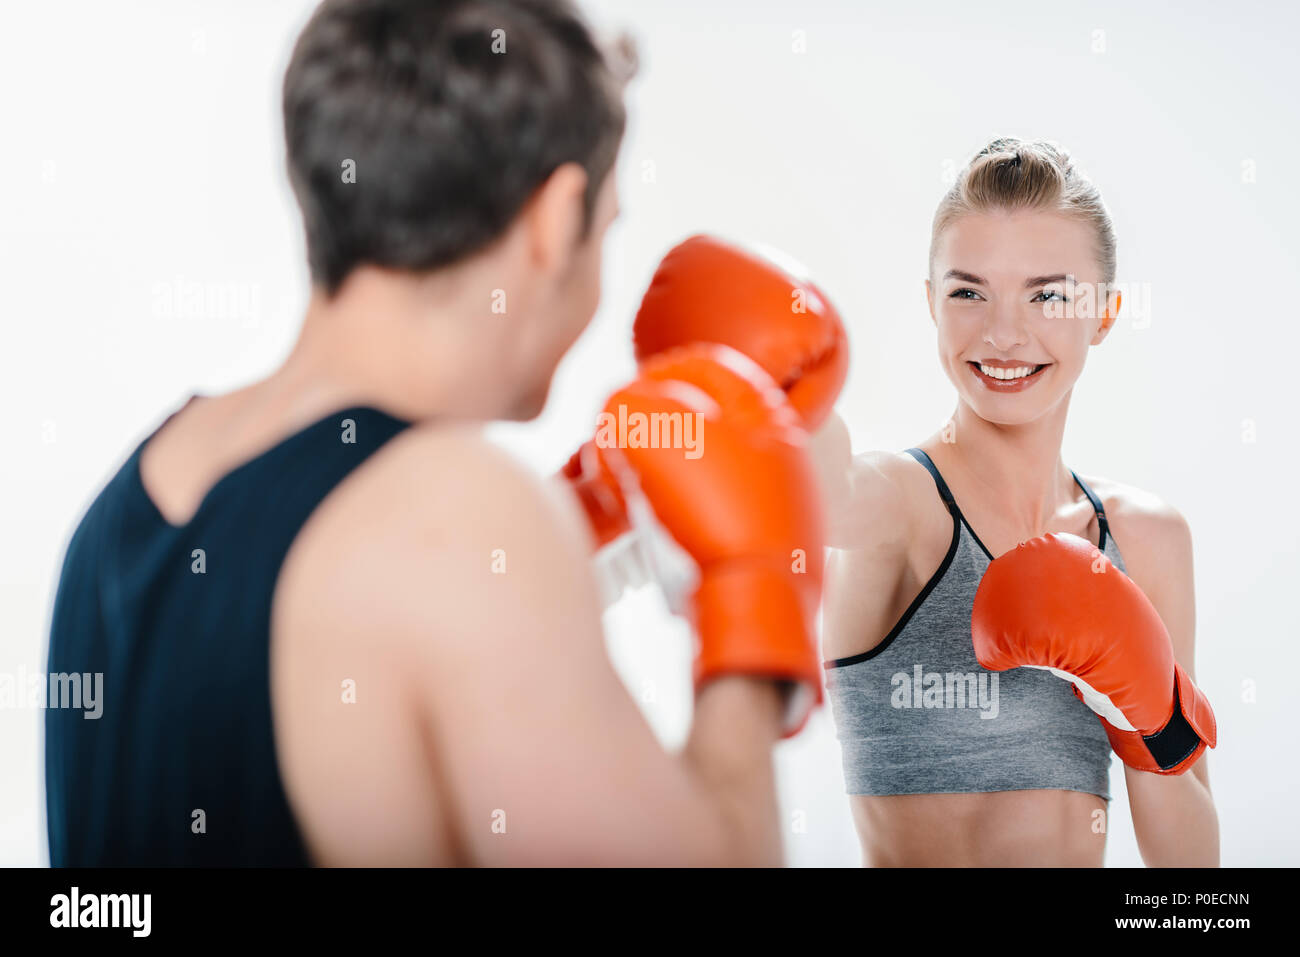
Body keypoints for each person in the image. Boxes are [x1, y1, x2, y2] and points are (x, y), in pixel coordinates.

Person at [44, 0, 844, 866]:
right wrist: (754, 583)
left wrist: (584, 526)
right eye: (606, 228)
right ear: (554, 219)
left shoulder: (129, 505)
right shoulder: (459, 513)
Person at [820, 138, 1219, 867]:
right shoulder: (903, 504)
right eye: (968, 291)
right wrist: (794, 394)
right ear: (931, 304)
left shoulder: (1146, 538)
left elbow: (1191, 874)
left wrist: (1150, 715)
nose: (1003, 334)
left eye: (1050, 294)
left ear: (1103, 313)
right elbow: (823, 494)